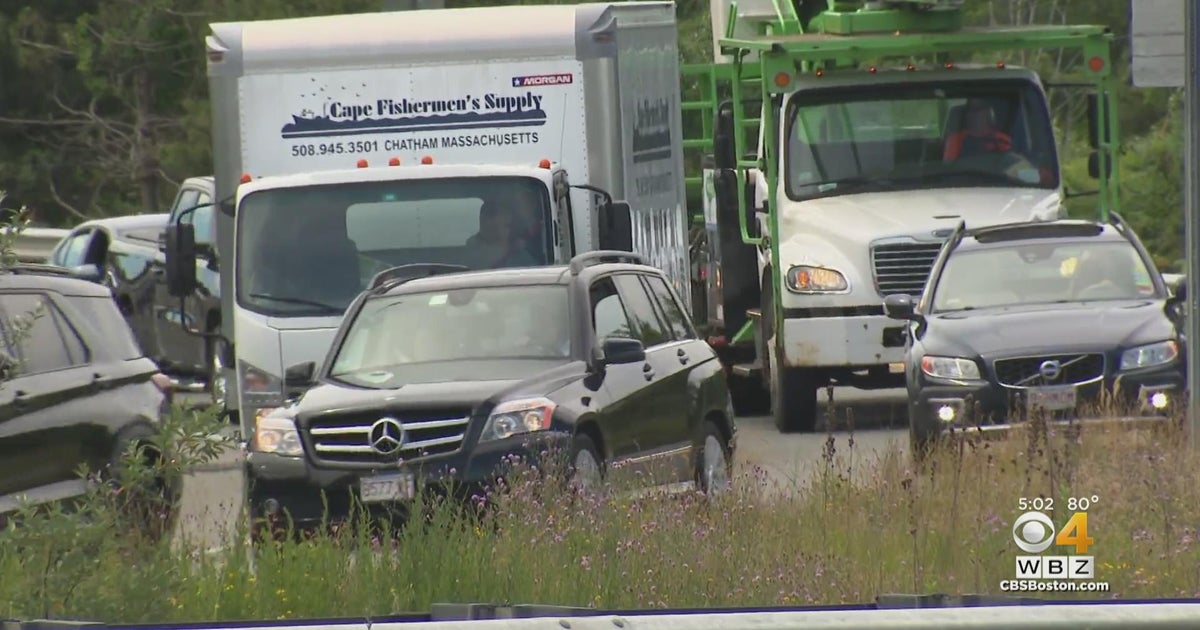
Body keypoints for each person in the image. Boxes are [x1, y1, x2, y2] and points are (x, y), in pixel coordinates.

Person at [464, 200, 538, 269]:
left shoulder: (521, 258)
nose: (508, 218)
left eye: (508, 225)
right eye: (506, 225)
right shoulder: (472, 253)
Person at [943, 99, 1013, 162]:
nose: (975, 114)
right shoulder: (955, 139)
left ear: (988, 113)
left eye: (979, 109)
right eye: (971, 110)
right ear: (967, 115)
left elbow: (1013, 164)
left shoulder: (1001, 138)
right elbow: (949, 166)